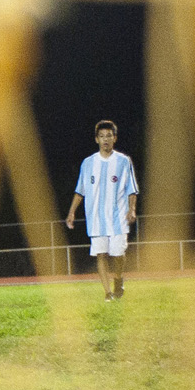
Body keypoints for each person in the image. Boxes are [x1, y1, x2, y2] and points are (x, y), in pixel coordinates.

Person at [65, 120, 139, 300]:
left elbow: (131, 188)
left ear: (115, 138)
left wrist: (132, 209)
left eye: (109, 136)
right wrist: (72, 212)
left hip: (118, 218)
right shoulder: (88, 163)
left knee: (118, 254)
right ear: (96, 139)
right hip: (96, 219)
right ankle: (108, 293)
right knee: (101, 255)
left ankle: (119, 279)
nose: (105, 139)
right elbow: (80, 190)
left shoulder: (123, 161)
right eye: (102, 136)